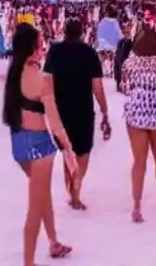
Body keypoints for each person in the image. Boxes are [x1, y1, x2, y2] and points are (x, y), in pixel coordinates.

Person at [3, 23, 76, 265]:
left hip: (19, 143)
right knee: (35, 208)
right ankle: (29, 262)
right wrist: (67, 148)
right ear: (32, 49)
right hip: (39, 146)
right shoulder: (40, 79)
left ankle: (54, 242)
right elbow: (53, 118)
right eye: (40, 43)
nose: (44, 46)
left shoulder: (15, 72)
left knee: (42, 196)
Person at [44, 18, 111, 211]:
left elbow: (46, 80)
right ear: (82, 32)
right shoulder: (89, 53)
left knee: (68, 150)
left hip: (61, 109)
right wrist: (105, 111)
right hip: (83, 110)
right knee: (83, 154)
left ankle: (72, 190)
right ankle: (75, 193)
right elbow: (97, 86)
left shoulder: (55, 52)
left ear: (64, 31)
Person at [121, 25, 156, 223]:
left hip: (135, 114)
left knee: (139, 161)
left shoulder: (129, 63)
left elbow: (124, 88)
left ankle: (136, 206)